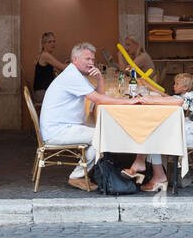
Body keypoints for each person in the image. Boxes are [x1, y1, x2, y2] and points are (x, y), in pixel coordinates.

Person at [120, 50, 193, 193]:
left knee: (154, 131)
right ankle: (147, 167)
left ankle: (153, 172)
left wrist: (153, 100)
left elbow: (191, 104)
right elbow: (183, 98)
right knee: (154, 127)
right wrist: (154, 98)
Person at [38, 42, 136, 191]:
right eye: (87, 59)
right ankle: (77, 176)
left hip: (63, 127)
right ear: (75, 59)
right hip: (58, 131)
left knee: (100, 131)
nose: (91, 63)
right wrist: (128, 102)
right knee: (102, 135)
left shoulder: (76, 74)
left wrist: (100, 79)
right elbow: (98, 99)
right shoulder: (72, 76)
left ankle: (88, 171)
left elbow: (98, 97)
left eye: (93, 59)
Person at [32, 32, 66, 107]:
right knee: (67, 98)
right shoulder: (45, 55)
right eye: (49, 42)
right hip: (42, 93)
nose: (52, 44)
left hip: (41, 92)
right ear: (43, 44)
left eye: (54, 41)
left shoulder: (43, 54)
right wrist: (75, 64)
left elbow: (57, 69)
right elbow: (62, 67)